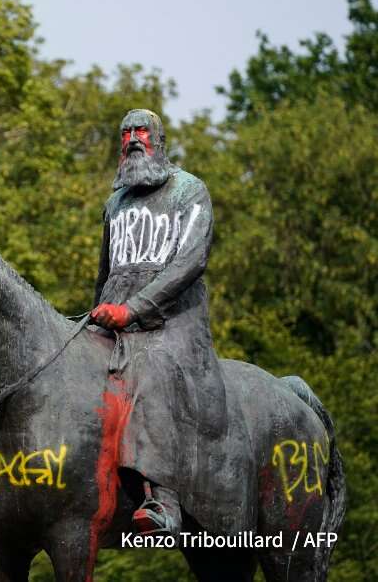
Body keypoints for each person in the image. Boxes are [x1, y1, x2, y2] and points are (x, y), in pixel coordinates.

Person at [91, 109, 228, 536]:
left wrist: (133, 310)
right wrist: (95, 317)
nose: (133, 138)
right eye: (126, 132)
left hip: (173, 324)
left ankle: (162, 500)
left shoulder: (189, 190)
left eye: (141, 131)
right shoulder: (114, 204)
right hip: (116, 321)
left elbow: (190, 263)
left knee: (149, 368)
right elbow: (105, 273)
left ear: (159, 141)